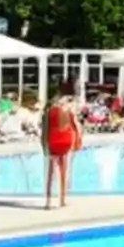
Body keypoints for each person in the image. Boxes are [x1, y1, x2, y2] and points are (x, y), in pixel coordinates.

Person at [42, 81, 83, 210]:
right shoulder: (69, 109)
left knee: (51, 172)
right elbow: (77, 126)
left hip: (53, 140)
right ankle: (62, 200)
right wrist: (78, 141)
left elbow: (45, 130)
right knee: (64, 171)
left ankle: (48, 201)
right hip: (66, 139)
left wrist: (44, 145)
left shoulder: (49, 110)